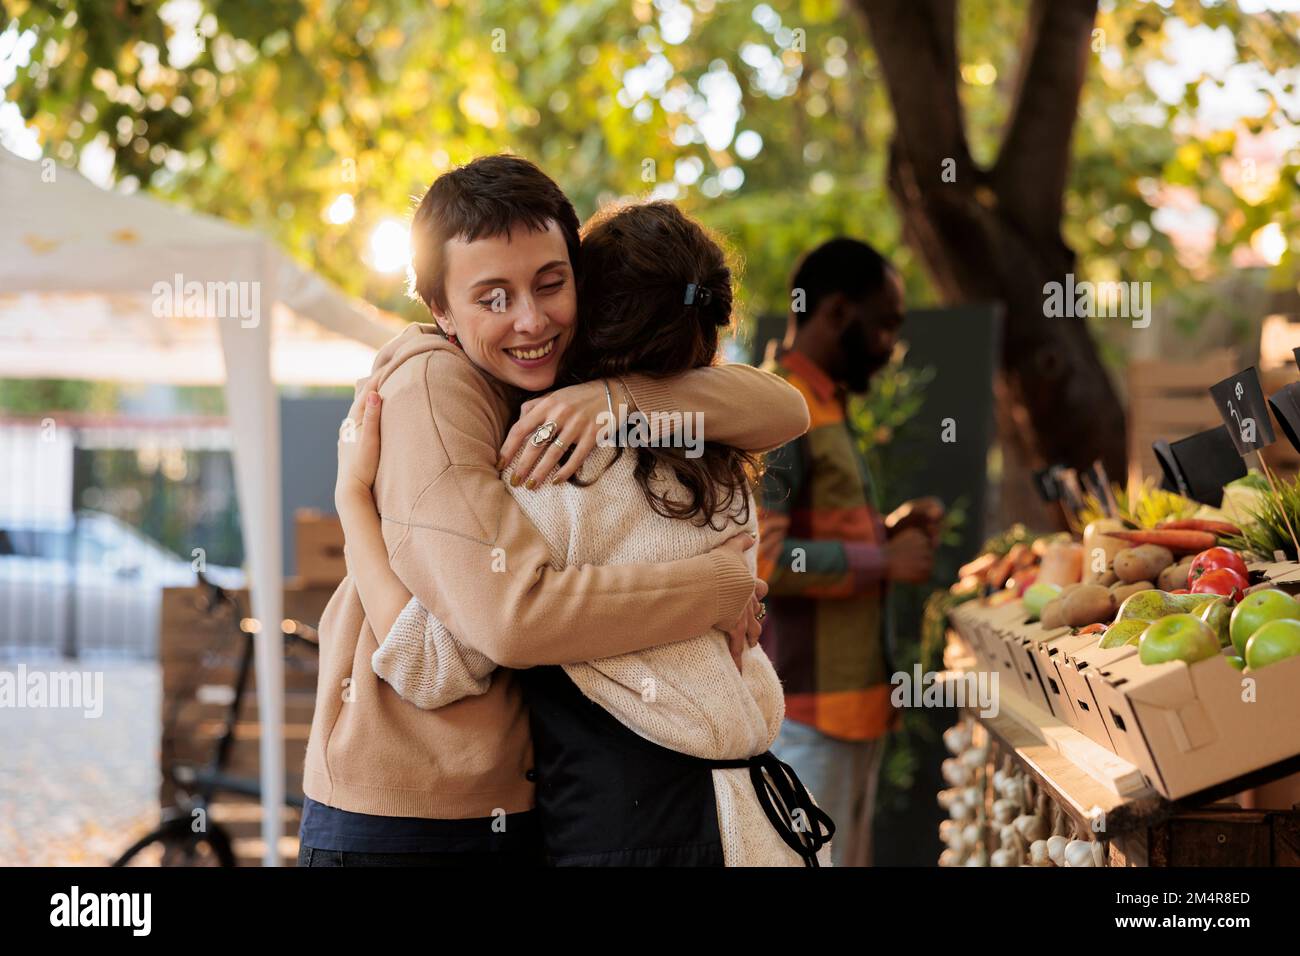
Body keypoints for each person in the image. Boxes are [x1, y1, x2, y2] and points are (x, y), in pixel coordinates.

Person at [299, 156, 808, 867]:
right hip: (415, 808)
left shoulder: (564, 406)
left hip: (514, 801)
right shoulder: (435, 391)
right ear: (439, 309)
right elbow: (506, 619)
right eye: (492, 297)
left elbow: (784, 408)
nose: (531, 320)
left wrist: (619, 401)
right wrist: (717, 588)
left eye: (550, 284)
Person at [757, 237, 944, 868]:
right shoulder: (782, 407)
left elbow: (815, 534)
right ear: (837, 312)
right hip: (808, 716)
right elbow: (762, 563)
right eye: (886, 322)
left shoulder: (825, 400)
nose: (892, 343)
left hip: (852, 710)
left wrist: (887, 531)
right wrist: (883, 563)